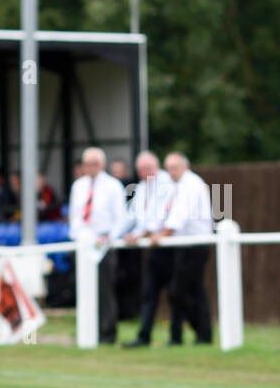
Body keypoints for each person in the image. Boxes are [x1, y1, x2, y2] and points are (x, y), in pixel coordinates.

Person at [67, 146, 129, 343]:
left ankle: (107, 333)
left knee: (104, 289)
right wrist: (77, 236)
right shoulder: (78, 186)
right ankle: (86, 329)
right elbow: (75, 216)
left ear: (102, 165)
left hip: (103, 243)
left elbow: (120, 218)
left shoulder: (113, 186)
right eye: (87, 164)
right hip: (82, 243)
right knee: (82, 288)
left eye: (94, 163)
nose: (91, 167)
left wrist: (108, 238)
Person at [155, 152, 214, 344]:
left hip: (194, 245)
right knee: (194, 291)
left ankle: (200, 332)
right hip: (184, 245)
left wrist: (162, 235)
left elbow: (179, 217)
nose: (171, 172)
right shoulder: (177, 186)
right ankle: (201, 335)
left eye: (174, 167)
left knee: (178, 291)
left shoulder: (191, 184)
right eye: (168, 168)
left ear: (184, 167)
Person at [121, 151, 176, 347]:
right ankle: (144, 336)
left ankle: (176, 337)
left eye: (147, 168)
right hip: (153, 247)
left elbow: (161, 216)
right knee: (149, 293)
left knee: (175, 293)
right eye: (140, 170)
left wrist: (142, 233)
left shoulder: (168, 184)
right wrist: (122, 235)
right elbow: (133, 217)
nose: (144, 173)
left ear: (156, 167)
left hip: (169, 246)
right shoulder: (142, 188)